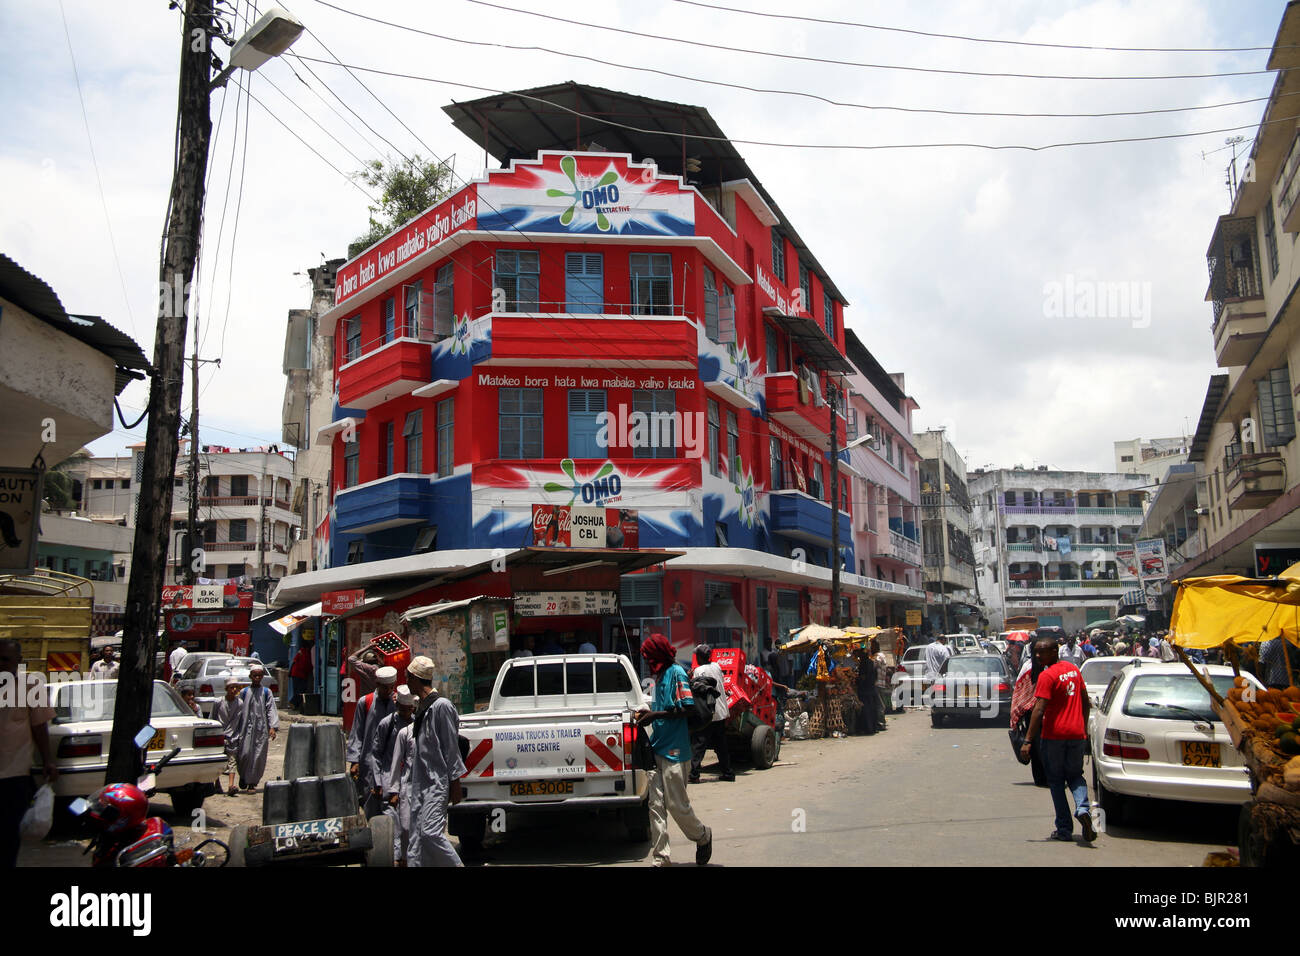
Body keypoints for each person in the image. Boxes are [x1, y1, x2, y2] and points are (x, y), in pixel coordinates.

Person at [635, 635, 712, 867]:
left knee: (677, 806)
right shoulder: (658, 678)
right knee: (655, 807)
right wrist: (645, 713)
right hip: (657, 749)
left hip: (675, 751)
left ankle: (702, 836)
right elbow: (659, 706)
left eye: (649, 657)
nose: (648, 662)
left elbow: (687, 708)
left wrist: (655, 716)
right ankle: (661, 859)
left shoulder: (677, 673)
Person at [1019, 638, 1095, 843]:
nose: (1037, 656)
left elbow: (1039, 708)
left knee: (1055, 781)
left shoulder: (1047, 675)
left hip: (1054, 736)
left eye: (1041, 652)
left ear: (1054, 651)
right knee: (1076, 776)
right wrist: (1083, 726)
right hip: (1076, 734)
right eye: (1035, 652)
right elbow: (1085, 701)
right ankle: (1082, 808)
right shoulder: (1073, 670)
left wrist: (1027, 740)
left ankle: (1064, 828)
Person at [405, 655, 466, 867]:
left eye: (407, 677)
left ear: (414, 678)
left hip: (436, 783)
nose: (405, 682)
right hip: (420, 782)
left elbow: (451, 749)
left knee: (430, 833)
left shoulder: (442, 707)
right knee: (416, 840)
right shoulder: (422, 707)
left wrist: (455, 783)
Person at [0, 639, 56, 868]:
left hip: (13, 777)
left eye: (5, 659)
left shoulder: (30, 687)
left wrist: (48, 761)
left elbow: (39, 728)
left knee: (7, 838)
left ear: (18, 662)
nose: (0, 664)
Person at [372, 685, 415, 861]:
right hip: (388, 780)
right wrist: (377, 782)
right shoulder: (386, 724)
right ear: (397, 708)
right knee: (394, 826)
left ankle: (405, 858)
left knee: (407, 826)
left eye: (409, 710)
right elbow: (375, 754)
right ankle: (396, 858)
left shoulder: (415, 724)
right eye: (402, 710)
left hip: (409, 782)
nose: (406, 714)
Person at [348, 665, 398, 817]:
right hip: (369, 762)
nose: (388, 692)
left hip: (392, 762)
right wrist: (354, 760)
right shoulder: (366, 702)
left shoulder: (397, 703)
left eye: (391, 688)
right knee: (370, 802)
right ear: (377, 685)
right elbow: (357, 732)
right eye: (385, 688)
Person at [688, 644, 733, 783]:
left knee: (699, 744)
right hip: (720, 712)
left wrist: (691, 678)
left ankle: (694, 774)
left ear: (701, 657)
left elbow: (698, 689)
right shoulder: (717, 666)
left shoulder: (699, 671)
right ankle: (728, 773)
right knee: (721, 745)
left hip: (707, 712)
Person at [234, 664, 279, 791]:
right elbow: (237, 711)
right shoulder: (244, 692)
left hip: (261, 729)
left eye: (260, 675)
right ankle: (243, 776)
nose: (257, 677)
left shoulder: (266, 692)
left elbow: (271, 709)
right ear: (250, 676)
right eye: (255, 675)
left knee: (258, 755)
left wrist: (272, 727)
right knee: (244, 753)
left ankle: (252, 783)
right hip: (245, 728)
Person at [211, 678, 242, 797]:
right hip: (219, 736)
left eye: (236, 687)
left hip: (233, 737)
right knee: (218, 761)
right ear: (226, 689)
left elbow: (239, 721)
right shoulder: (219, 702)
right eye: (231, 687)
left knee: (232, 761)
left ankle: (230, 786)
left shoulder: (239, 703)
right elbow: (213, 718)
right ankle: (216, 783)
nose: (234, 690)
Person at [853, 647, 879, 735]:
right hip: (872, 689)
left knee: (866, 710)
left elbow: (863, 677)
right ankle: (873, 727)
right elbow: (875, 676)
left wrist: (857, 680)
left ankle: (868, 728)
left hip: (865, 690)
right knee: (872, 709)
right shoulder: (872, 662)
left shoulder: (863, 664)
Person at [289, 640, 314, 709]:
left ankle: (296, 705)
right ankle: (293, 702)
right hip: (300, 674)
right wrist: (310, 670)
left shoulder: (300, 651)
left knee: (296, 690)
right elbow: (305, 665)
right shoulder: (305, 653)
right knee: (301, 690)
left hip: (295, 673)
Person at [871, 638, 890, 727]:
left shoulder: (878, 656)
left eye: (872, 646)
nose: (871, 648)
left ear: (875, 646)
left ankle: (881, 722)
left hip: (878, 683)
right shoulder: (881, 655)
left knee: (879, 704)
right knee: (880, 703)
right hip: (881, 683)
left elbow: (874, 665)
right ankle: (881, 722)